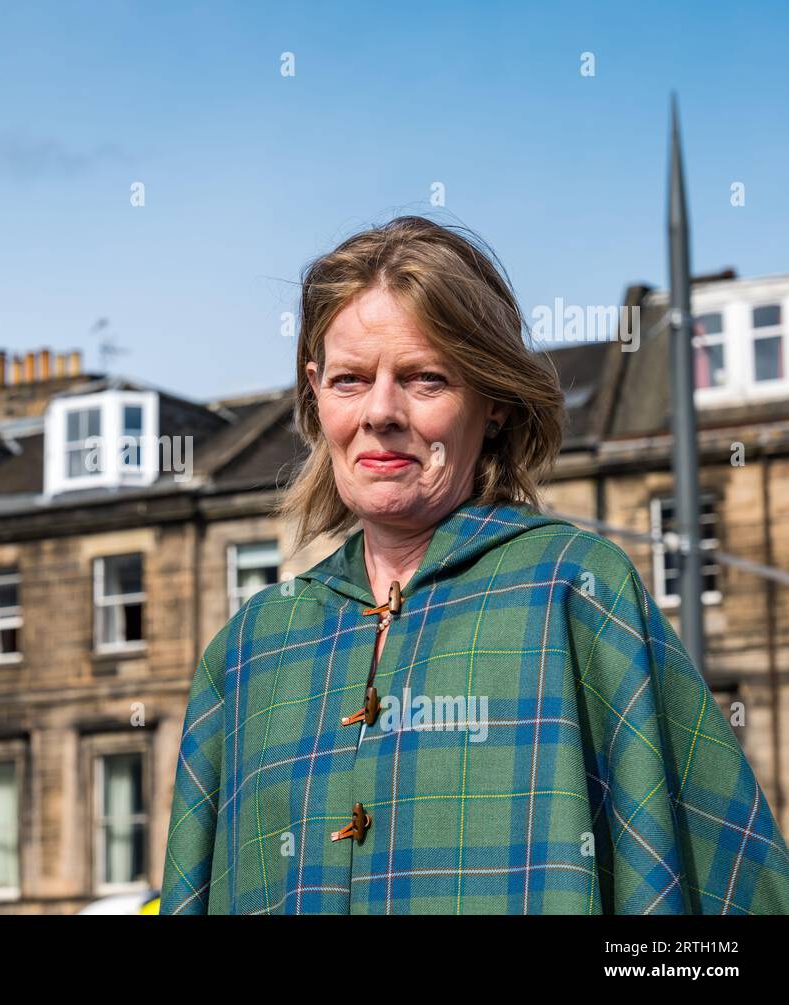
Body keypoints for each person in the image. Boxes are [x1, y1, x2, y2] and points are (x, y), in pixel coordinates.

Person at [160, 215, 789, 915]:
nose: (380, 411)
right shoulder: (249, 649)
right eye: (350, 379)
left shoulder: (576, 592)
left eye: (425, 378)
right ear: (314, 391)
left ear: (490, 401)